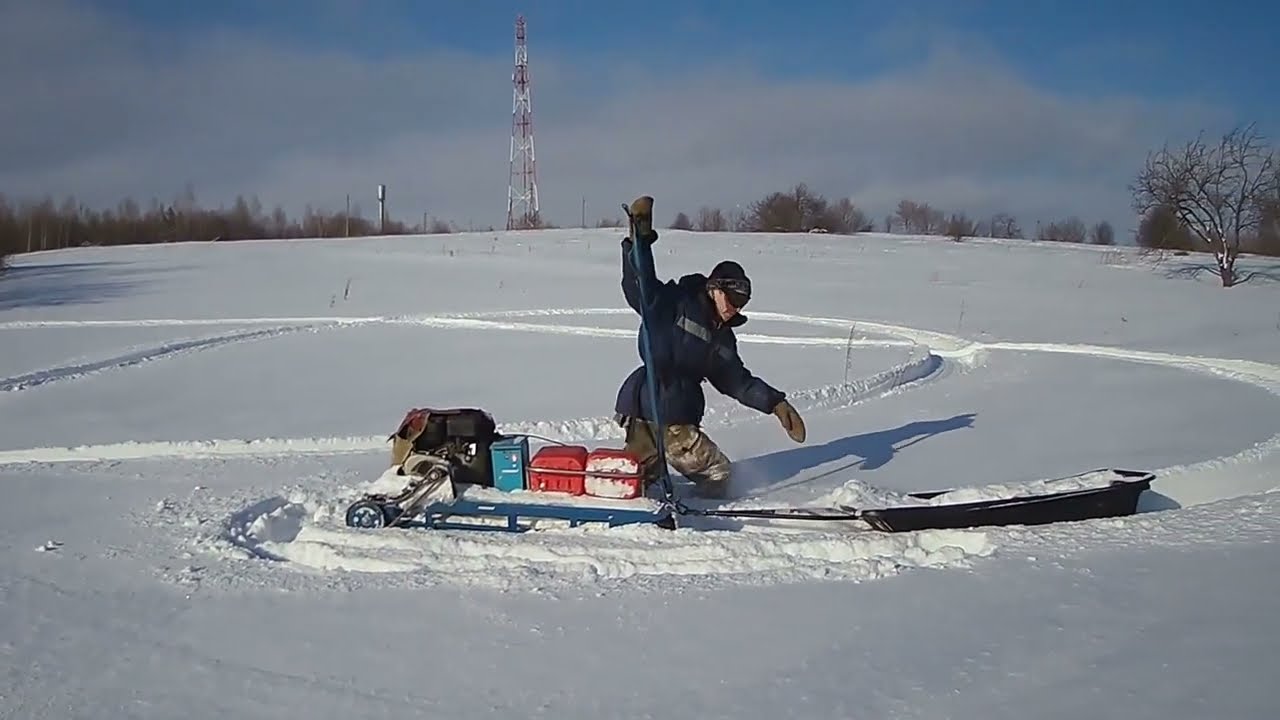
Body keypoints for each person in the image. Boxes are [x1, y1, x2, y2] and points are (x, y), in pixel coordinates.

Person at [613, 195, 805, 499]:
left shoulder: (722, 338)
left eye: (742, 304)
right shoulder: (674, 304)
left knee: (653, 482)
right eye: (733, 300)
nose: (735, 309)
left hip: (676, 413)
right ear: (715, 289)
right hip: (650, 406)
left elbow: (737, 381)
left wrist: (775, 404)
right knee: (716, 475)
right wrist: (640, 242)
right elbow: (640, 286)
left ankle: (673, 501)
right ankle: (680, 521)